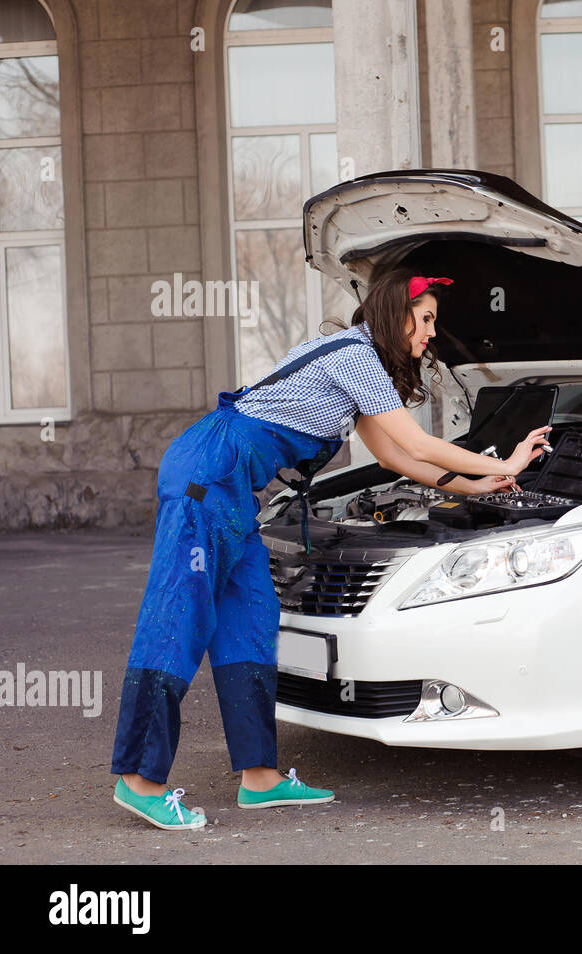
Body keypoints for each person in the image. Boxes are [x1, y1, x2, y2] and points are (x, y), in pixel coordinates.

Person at [109, 266, 551, 830]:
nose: (432, 334)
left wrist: (479, 484)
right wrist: (505, 462)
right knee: (181, 617)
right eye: (427, 319)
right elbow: (418, 442)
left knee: (250, 620)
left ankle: (260, 777)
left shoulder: (359, 365)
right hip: (207, 474)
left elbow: (396, 460)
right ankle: (140, 779)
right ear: (398, 313)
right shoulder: (354, 354)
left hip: (234, 489)